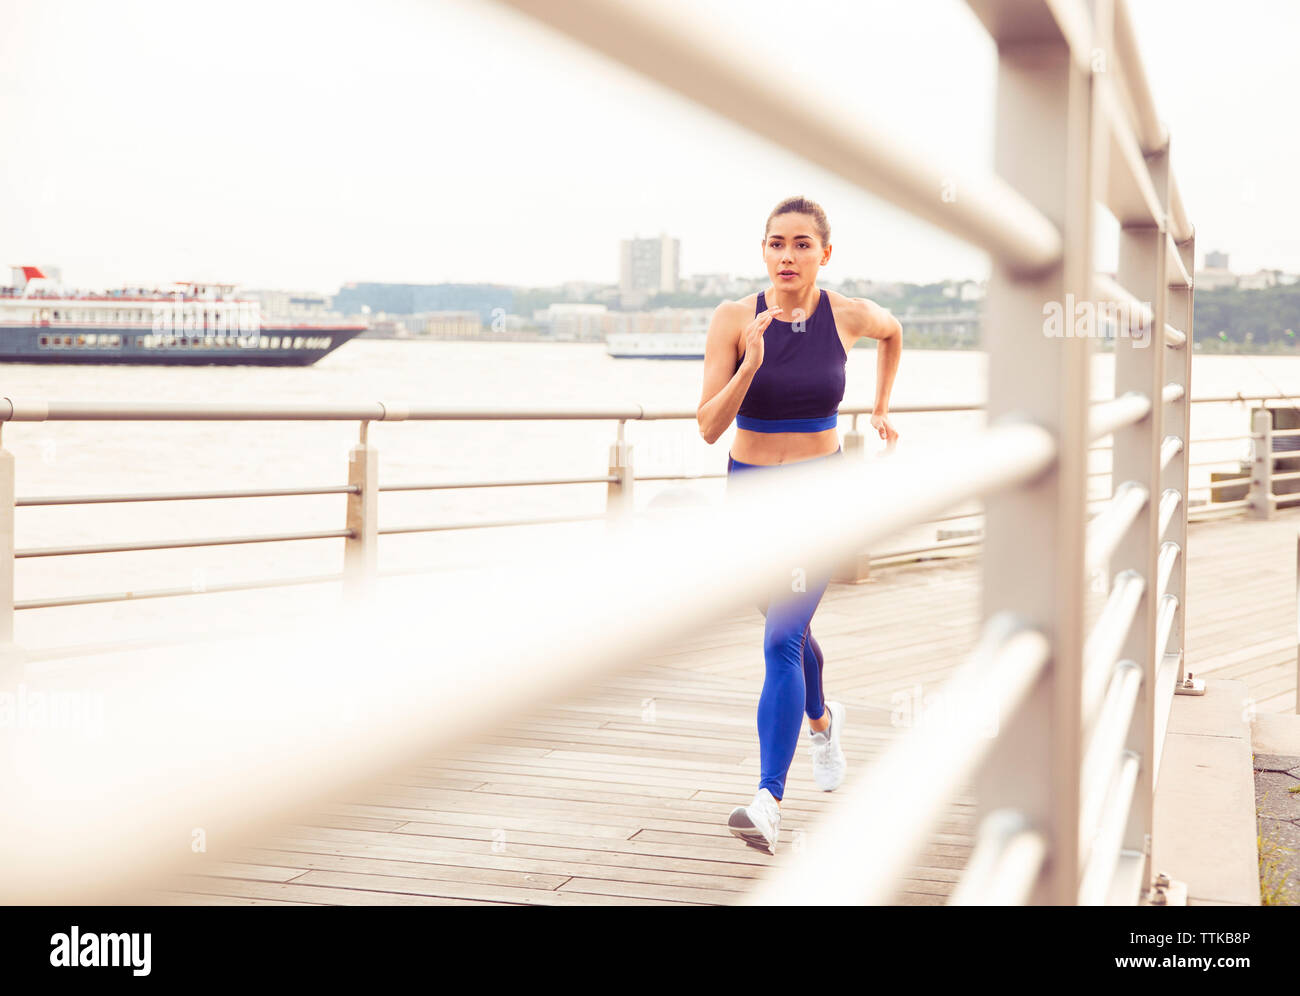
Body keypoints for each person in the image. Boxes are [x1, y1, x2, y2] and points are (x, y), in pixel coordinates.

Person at [696, 195, 902, 854]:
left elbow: (894, 332)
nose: (787, 255)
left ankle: (768, 800)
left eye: (801, 245)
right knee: (789, 626)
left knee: (779, 639)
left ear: (825, 253)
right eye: (776, 243)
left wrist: (880, 406)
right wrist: (750, 365)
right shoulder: (733, 319)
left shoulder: (847, 314)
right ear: (763, 250)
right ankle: (821, 718)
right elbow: (707, 427)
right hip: (750, 496)